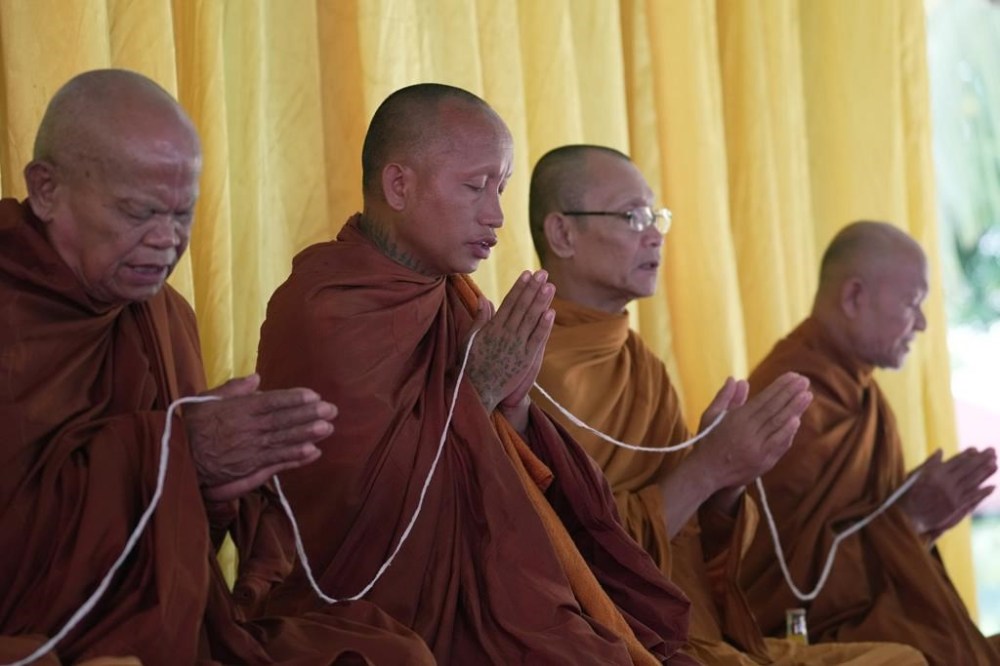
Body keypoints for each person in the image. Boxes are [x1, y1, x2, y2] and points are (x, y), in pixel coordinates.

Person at [0, 69, 434, 665]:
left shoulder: (163, 314)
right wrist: (178, 455)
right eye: (137, 212)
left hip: (164, 625)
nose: (165, 241)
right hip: (34, 632)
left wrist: (214, 485)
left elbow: (176, 548)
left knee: (396, 653)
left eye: (183, 216)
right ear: (45, 189)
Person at [255, 84, 698, 665]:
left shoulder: (455, 302)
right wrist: (479, 390)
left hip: (487, 599)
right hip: (369, 609)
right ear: (399, 185)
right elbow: (354, 520)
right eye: (474, 187)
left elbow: (504, 486)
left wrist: (510, 404)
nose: (495, 215)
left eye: (501, 189)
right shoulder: (325, 308)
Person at [528, 145, 928, 665]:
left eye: (656, 217)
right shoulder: (534, 369)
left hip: (694, 632)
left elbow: (688, 545)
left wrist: (729, 479)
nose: (655, 234)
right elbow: (568, 556)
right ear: (562, 234)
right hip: (615, 642)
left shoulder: (643, 366)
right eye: (632, 217)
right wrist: (708, 466)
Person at [742, 221, 1000, 665]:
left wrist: (914, 522)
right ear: (854, 297)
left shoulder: (865, 398)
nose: (921, 322)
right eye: (912, 302)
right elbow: (782, 588)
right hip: (814, 638)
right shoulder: (792, 402)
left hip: (876, 621)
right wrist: (909, 519)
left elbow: (861, 542)